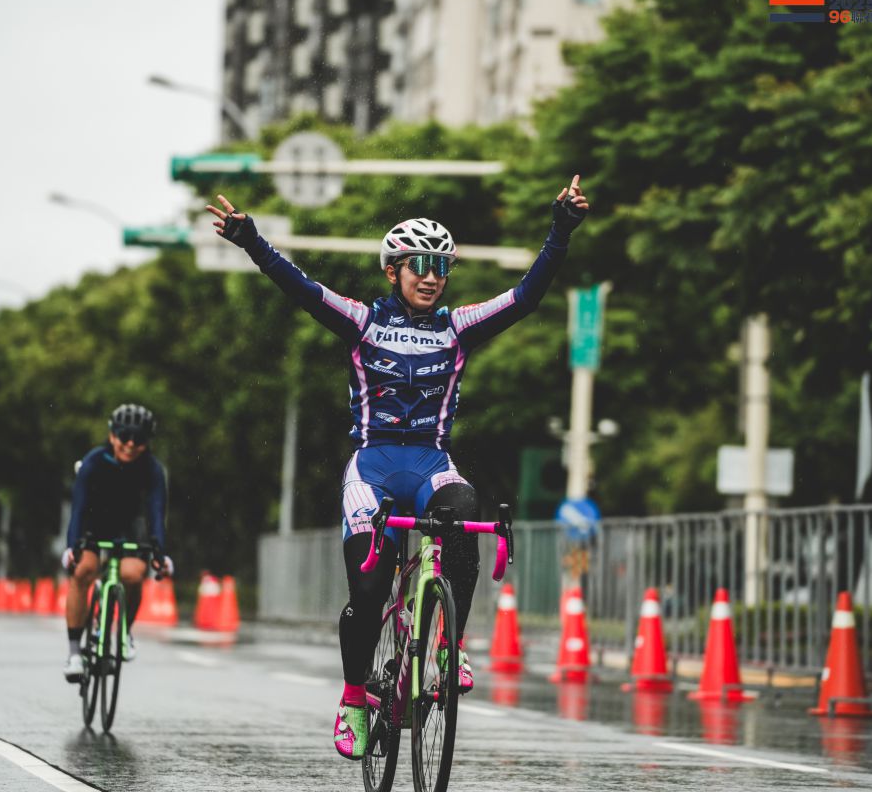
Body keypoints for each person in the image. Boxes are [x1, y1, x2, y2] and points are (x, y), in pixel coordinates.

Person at [207, 176, 589, 759]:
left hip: (432, 465)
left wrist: (559, 230)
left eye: (440, 265)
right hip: (373, 471)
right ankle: (355, 699)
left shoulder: (459, 328)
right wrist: (251, 240)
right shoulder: (362, 322)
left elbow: (525, 297)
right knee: (368, 588)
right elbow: (302, 289)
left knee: (464, 511)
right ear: (393, 270)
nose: (431, 275)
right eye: (418, 264)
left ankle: (447, 644)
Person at [61, 403, 173, 681]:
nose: (131, 444)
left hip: (129, 525)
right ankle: (75, 652)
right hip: (92, 521)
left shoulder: (152, 469)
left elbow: (156, 511)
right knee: (84, 571)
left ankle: (123, 631)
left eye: (140, 439)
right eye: (125, 436)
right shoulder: (94, 462)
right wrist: (73, 546)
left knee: (133, 575)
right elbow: (78, 508)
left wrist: (159, 550)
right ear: (112, 435)